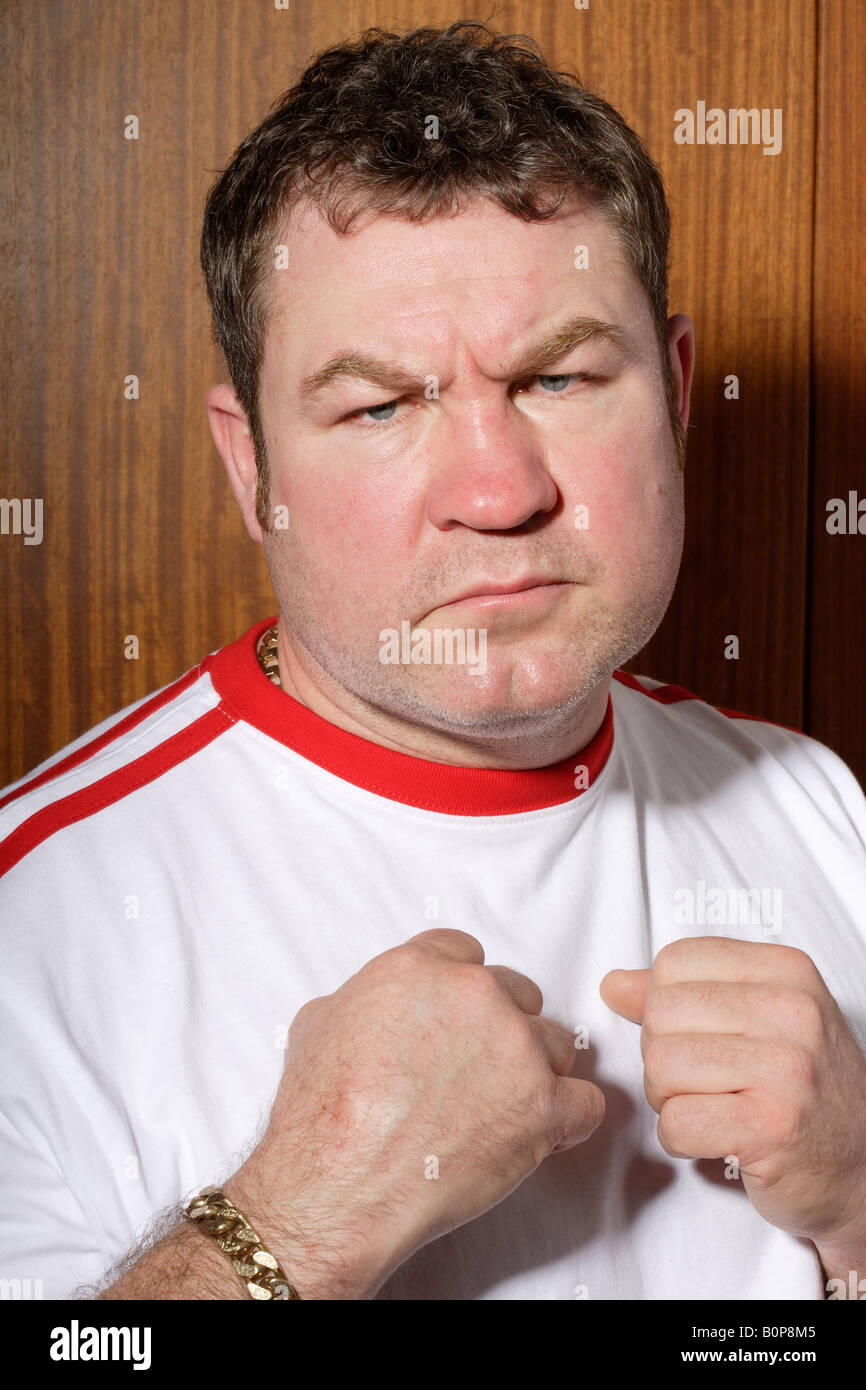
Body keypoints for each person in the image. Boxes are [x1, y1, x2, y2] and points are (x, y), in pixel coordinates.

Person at [1, 19, 865, 1303]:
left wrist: (858, 1211)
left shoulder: (819, 812)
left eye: (561, 377)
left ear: (674, 396)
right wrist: (294, 1225)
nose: (496, 489)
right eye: (380, 405)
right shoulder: (33, 923)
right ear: (253, 469)